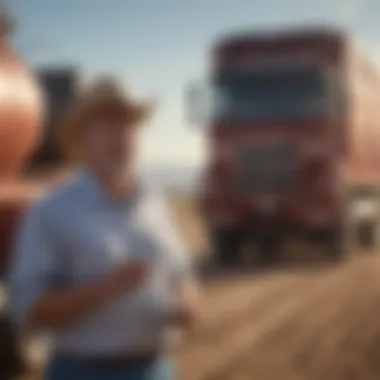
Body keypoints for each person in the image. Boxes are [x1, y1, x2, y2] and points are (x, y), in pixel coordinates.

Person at [9, 75, 201, 380]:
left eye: (129, 125)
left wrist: (186, 306)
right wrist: (106, 289)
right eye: (109, 125)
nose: (123, 135)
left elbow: (182, 279)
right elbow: (29, 310)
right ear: (82, 138)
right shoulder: (50, 212)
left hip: (157, 369)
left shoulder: (156, 206)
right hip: (83, 372)